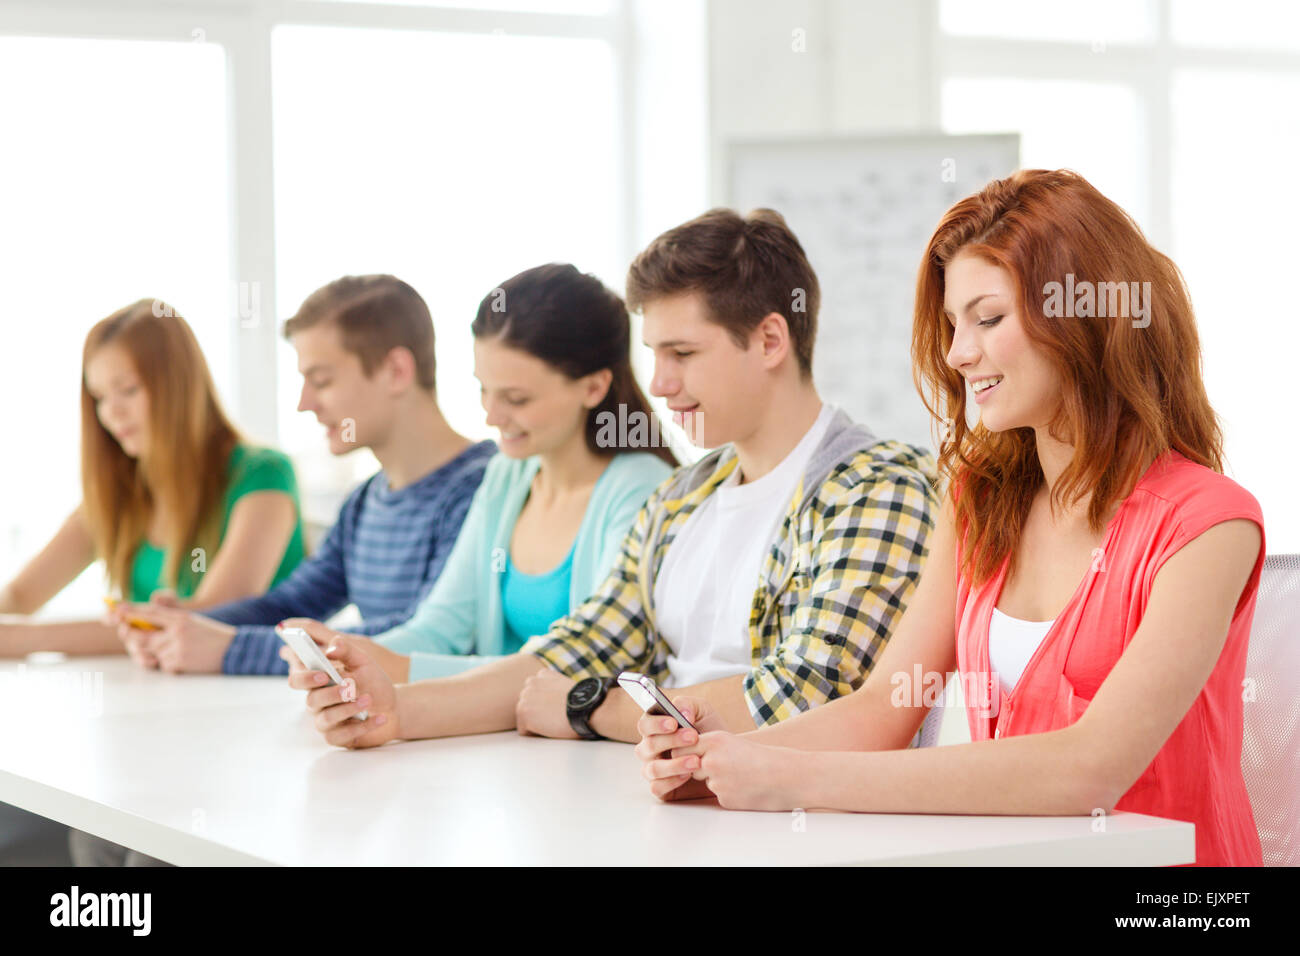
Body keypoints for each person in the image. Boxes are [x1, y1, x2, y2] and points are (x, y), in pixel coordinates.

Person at [633, 170, 1266, 868]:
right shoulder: (978, 499)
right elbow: (882, 711)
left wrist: (788, 778)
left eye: (987, 319)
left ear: (1085, 317)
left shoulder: (1209, 523)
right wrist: (720, 759)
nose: (958, 352)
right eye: (954, 324)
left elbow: (1089, 769)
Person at [291, 209, 938, 747]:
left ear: (770, 341)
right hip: (671, 811)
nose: (659, 383)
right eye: (655, 354)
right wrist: (397, 712)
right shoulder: (682, 498)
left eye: (683, 354)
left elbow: (802, 697)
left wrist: (590, 709)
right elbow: (576, 651)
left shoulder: (877, 488)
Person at [280, 263, 676, 685]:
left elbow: (590, 665)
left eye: (516, 398)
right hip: (495, 737)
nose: (491, 416)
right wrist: (350, 654)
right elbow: (441, 626)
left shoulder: (641, 489)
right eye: (483, 389)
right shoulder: (507, 476)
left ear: (593, 388)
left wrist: (399, 668)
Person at [112, 275, 496, 675]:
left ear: (396, 371)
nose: (304, 403)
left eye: (322, 380)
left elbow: (423, 636)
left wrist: (229, 649)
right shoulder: (363, 503)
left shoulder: (481, 490)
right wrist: (191, 626)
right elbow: (289, 604)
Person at [0, 300, 305, 659]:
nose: (112, 413)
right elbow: (20, 596)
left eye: (128, 390)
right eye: (99, 397)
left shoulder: (262, 474)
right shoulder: (118, 491)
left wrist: (26, 639)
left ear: (180, 386)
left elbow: (211, 618)